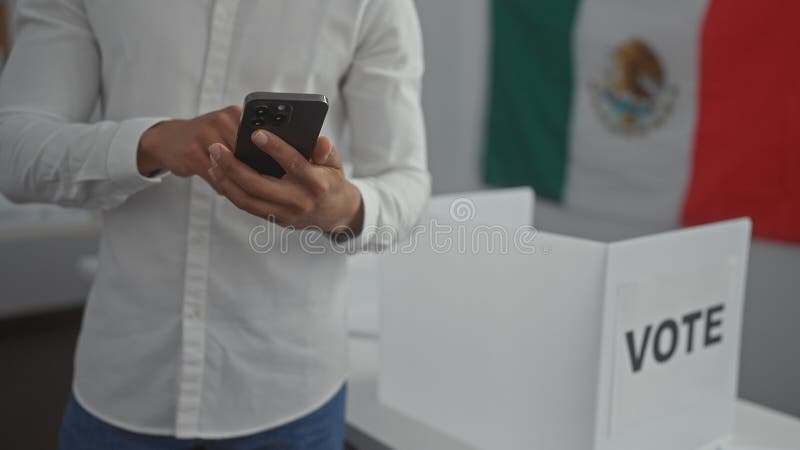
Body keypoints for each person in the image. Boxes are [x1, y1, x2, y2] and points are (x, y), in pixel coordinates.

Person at [0, 1, 429, 449]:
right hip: (124, 387)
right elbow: (14, 150)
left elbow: (407, 183)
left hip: (290, 395)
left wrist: (342, 207)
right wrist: (149, 144)